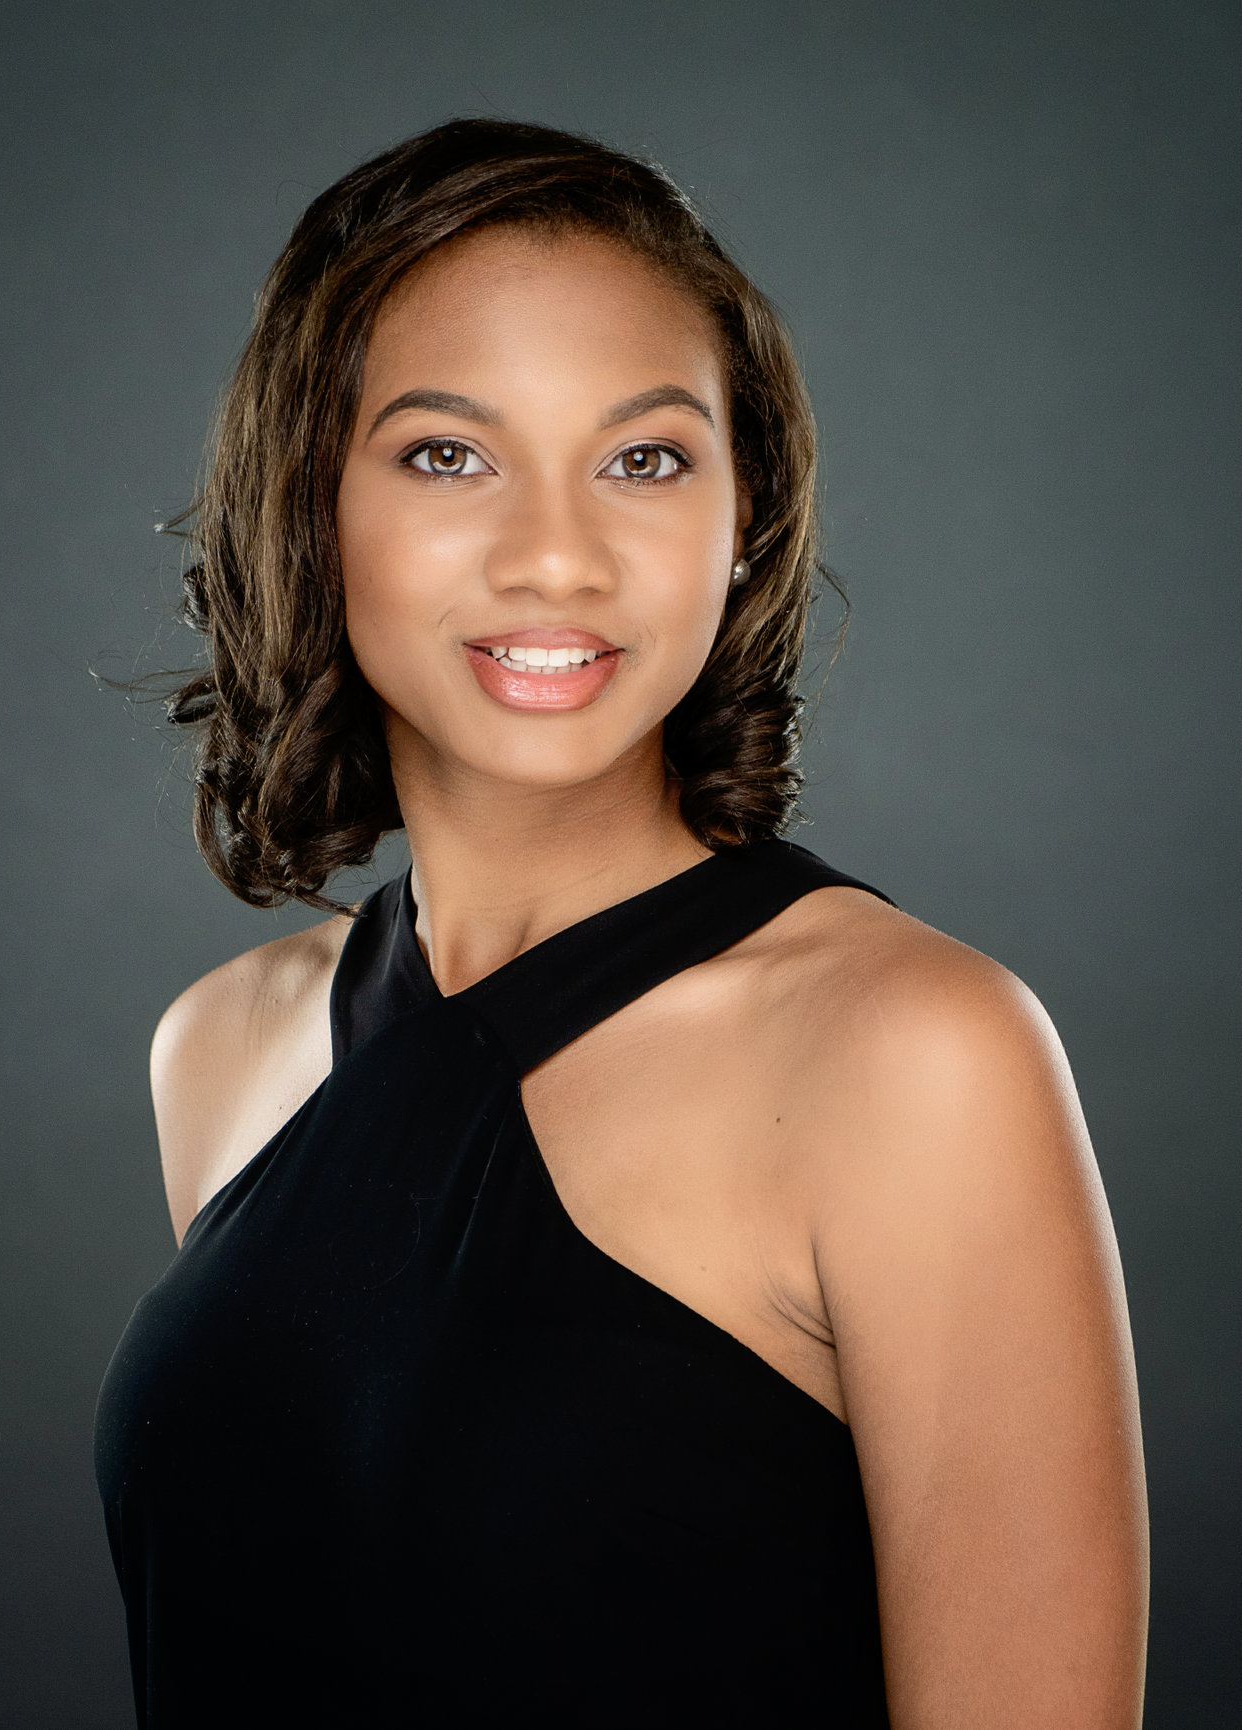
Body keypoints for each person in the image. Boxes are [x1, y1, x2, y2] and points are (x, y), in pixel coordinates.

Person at [94, 118, 1148, 1727]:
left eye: (645, 459)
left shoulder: (916, 1056)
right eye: (447, 454)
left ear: (745, 516)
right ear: (308, 501)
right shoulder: (223, 1048)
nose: (558, 555)